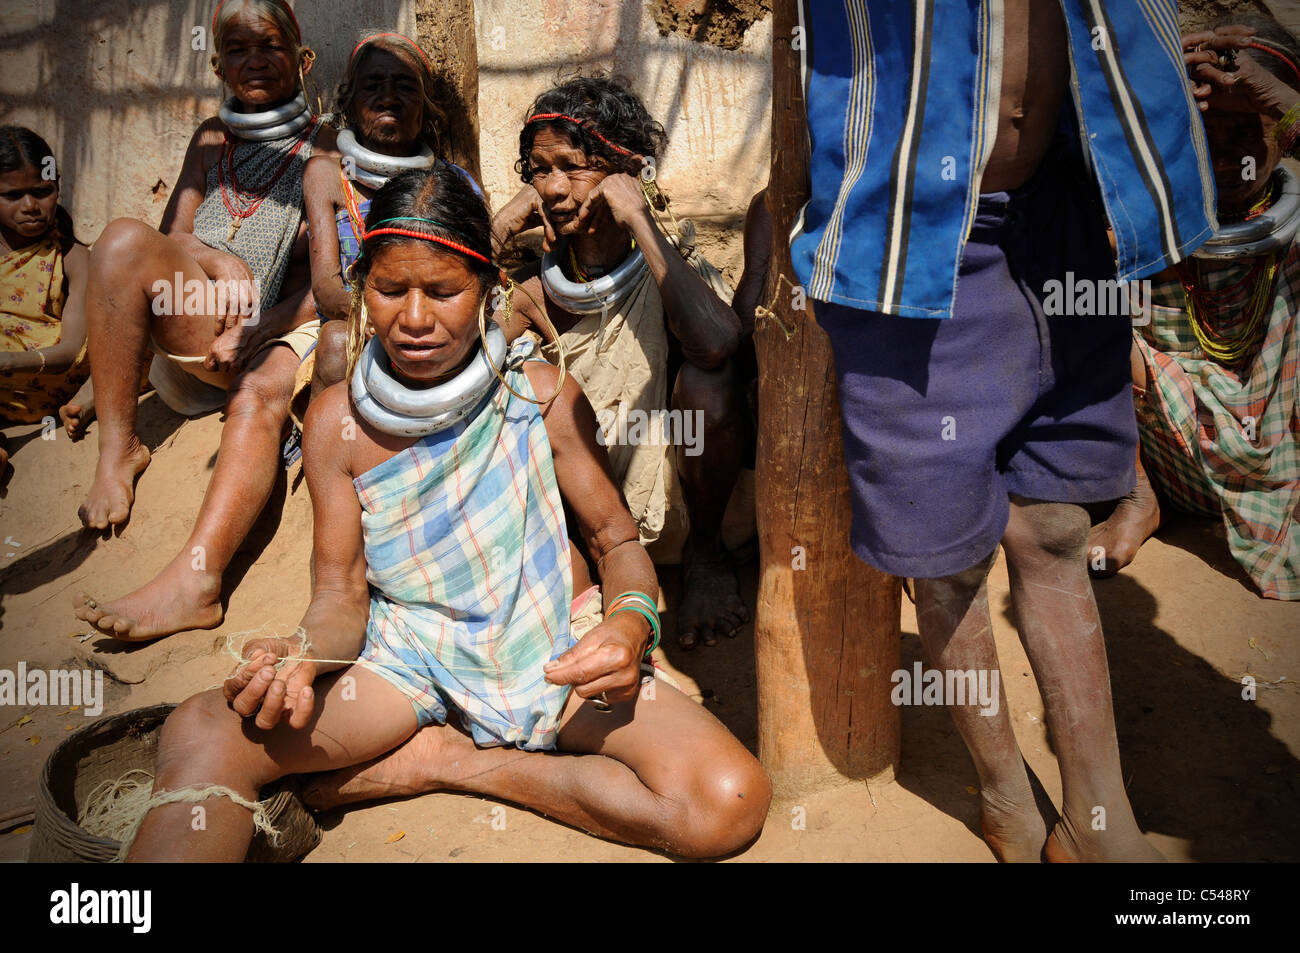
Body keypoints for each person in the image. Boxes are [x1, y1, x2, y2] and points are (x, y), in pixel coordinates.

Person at [123, 165, 771, 862]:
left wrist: (628, 624)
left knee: (726, 799)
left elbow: (617, 542)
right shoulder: (338, 422)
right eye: (390, 289)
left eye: (443, 291)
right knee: (205, 731)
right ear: (362, 286)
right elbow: (341, 595)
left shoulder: (541, 395)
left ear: (489, 290)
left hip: (551, 651)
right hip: (410, 663)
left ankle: (447, 761)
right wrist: (305, 653)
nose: (414, 318)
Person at [790, 0, 1219, 861]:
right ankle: (1007, 800)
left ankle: (1100, 820)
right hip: (907, 234)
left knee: (1056, 526)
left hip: (1061, 215)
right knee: (947, 563)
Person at [73, 0, 336, 641]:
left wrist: (260, 324)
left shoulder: (329, 144)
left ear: (302, 58)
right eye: (237, 49)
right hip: (198, 328)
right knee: (120, 240)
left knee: (262, 390)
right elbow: (174, 236)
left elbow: (339, 275)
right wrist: (221, 260)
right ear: (218, 66)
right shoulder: (211, 137)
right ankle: (119, 450)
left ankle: (197, 583)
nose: (255, 60)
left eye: (269, 45)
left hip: (281, 330)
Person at [491, 76, 750, 649]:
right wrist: (499, 228)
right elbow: (451, 355)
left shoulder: (671, 267)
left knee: (711, 383)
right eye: (539, 170)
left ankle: (706, 559)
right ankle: (590, 567)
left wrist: (637, 217)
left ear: (623, 172)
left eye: (572, 167)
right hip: (589, 519)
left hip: (682, 509)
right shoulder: (534, 288)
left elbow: (716, 345)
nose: (553, 188)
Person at [1089, 16, 1300, 602]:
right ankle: (1138, 496)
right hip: (1168, 460)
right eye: (1206, 127)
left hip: (1285, 468)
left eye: (1248, 126)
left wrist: (1281, 99)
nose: (1226, 149)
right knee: (1074, 299)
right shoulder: (1132, 223)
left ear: (1283, 132)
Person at [305, 31, 479, 397]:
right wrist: (377, 319)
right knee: (336, 344)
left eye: (404, 87)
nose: (388, 97)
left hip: (435, 328)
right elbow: (326, 288)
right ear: (350, 104)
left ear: (425, 108)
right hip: (356, 325)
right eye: (373, 86)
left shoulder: (454, 182)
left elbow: (479, 279)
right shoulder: (327, 176)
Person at [0, 127, 89, 479]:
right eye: (13, 195)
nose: (30, 206)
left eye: (42, 192)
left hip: (47, 380)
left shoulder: (71, 257)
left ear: (57, 188)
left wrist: (9, 360)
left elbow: (71, 350)